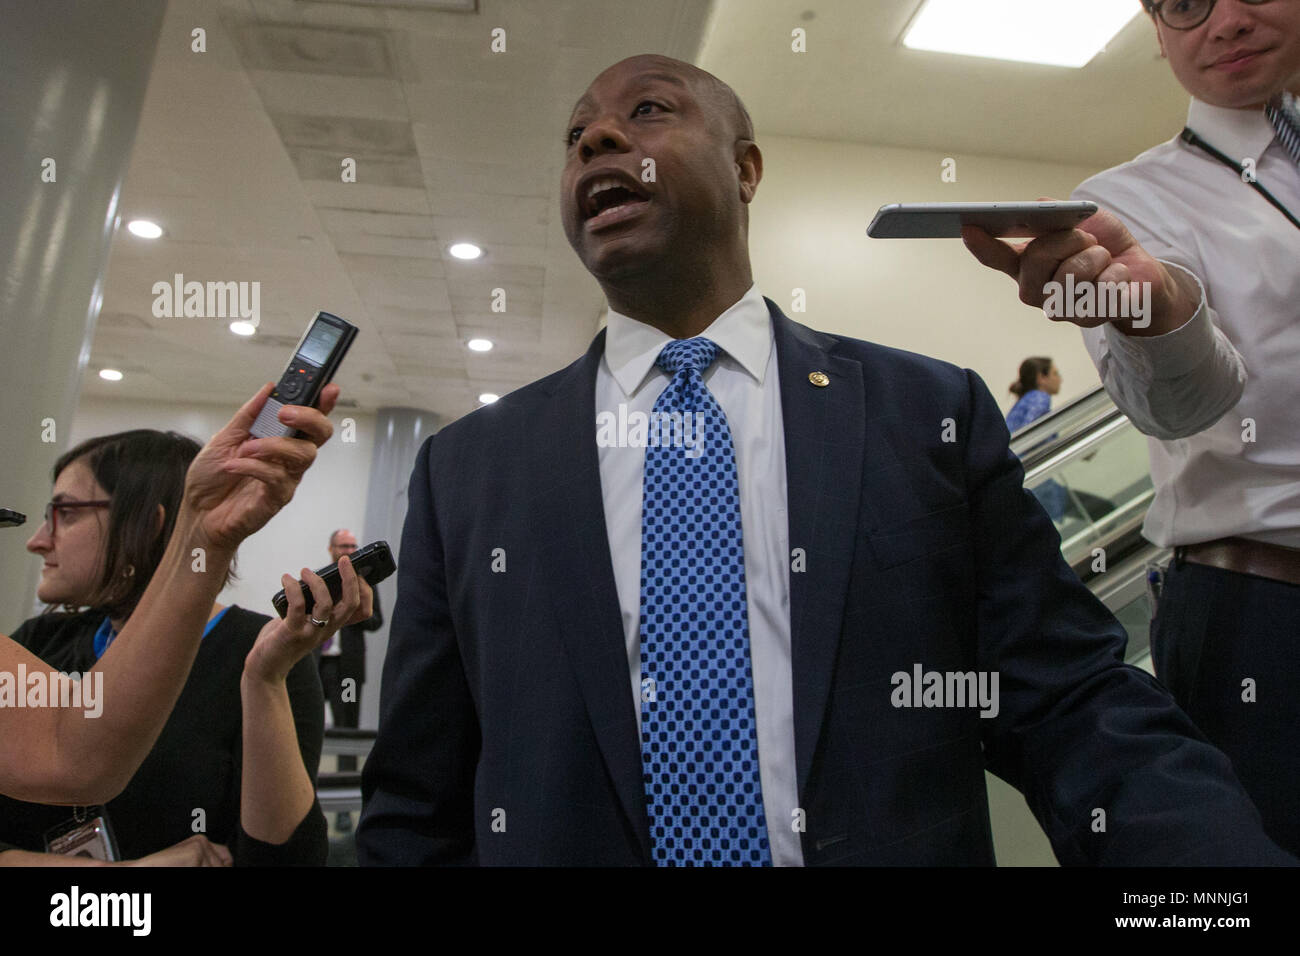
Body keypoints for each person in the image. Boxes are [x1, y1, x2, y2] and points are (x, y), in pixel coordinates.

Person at [357, 53, 1293, 866]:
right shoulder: (469, 471)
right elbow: (418, 802)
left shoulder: (925, 414)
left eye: (645, 110)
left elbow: (1066, 702)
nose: (597, 137)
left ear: (746, 167)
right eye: (574, 135)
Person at [963, 0, 1300, 855]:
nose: (1222, 21)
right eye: (1183, 2)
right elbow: (1181, 402)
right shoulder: (1127, 202)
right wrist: (1156, 311)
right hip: (1266, 615)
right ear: (1157, 27)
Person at [0, 427, 372, 866]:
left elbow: (281, 859)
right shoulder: (38, 643)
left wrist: (265, 681)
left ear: (149, 524)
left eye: (67, 514)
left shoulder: (260, 653)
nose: (37, 539)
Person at [315, 528, 383, 833]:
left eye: (353, 545)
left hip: (348, 669)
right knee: (310, 727)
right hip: (318, 665)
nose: (349, 549)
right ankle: (308, 800)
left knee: (346, 732)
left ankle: (343, 808)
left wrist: (355, 607)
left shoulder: (366, 582)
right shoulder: (317, 581)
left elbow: (376, 621)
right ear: (330, 548)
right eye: (343, 545)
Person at [1005, 357, 1061, 432]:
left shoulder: (1027, 399)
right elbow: (1030, 434)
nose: (1060, 379)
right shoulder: (1040, 398)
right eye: (1055, 374)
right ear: (1041, 378)